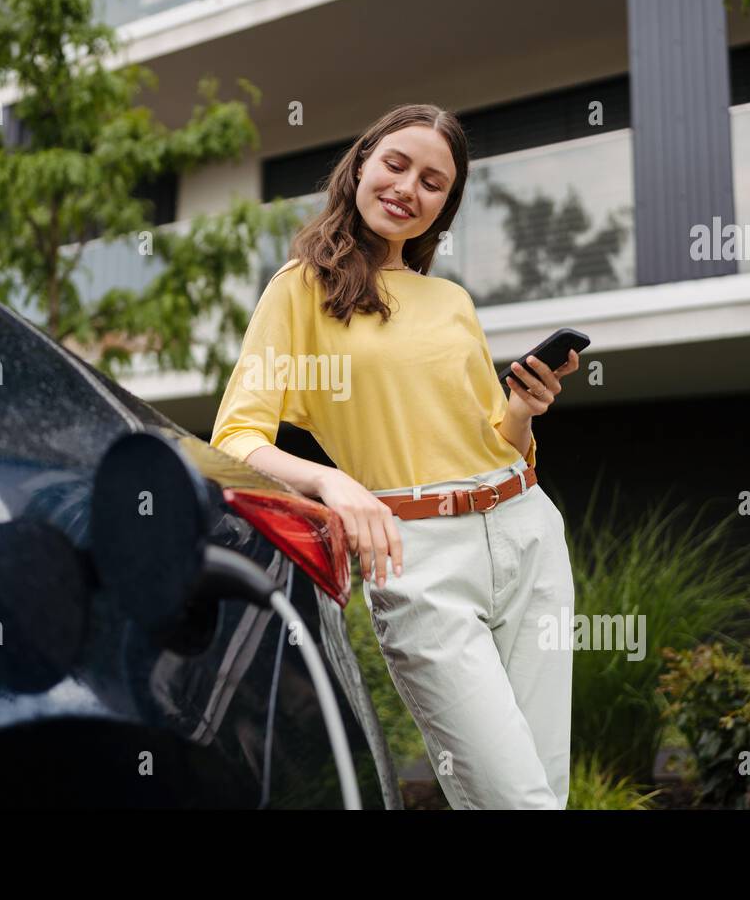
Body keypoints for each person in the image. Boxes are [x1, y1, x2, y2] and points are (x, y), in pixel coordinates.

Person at [209, 103, 580, 809]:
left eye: (434, 182)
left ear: (443, 207)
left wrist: (525, 411)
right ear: (361, 164)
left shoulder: (450, 300)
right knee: (513, 798)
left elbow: (496, 440)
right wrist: (336, 484)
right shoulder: (299, 290)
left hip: (527, 530)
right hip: (422, 563)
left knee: (544, 789)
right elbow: (236, 440)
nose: (410, 187)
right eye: (398, 164)